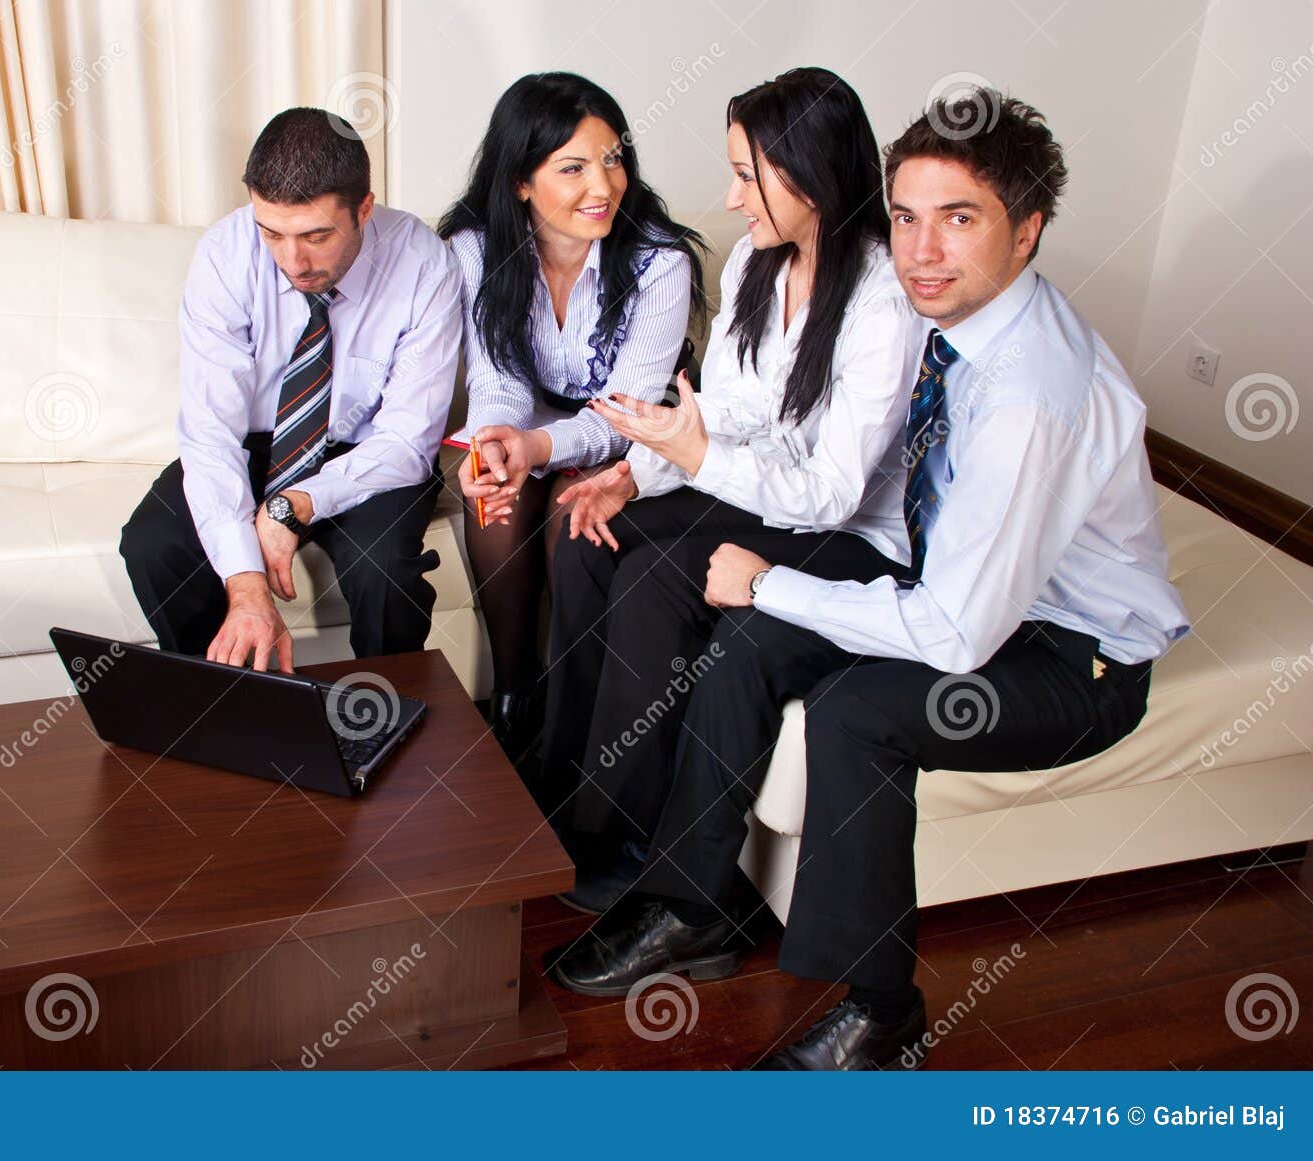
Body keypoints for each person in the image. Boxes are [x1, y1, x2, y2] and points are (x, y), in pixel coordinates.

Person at [542, 90, 1191, 1071]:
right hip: (968, 590)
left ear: (1028, 231)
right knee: (747, 643)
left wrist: (768, 583)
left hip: (1073, 662)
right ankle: (690, 902)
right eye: (906, 217)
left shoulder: (1029, 397)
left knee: (853, 711)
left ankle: (882, 1014)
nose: (923, 250)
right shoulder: (968, 324)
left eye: (959, 219)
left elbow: (953, 636)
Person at [535, 68, 923, 911]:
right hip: (756, 487)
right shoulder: (757, 262)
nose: (733, 196)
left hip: (847, 527)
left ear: (810, 173)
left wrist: (695, 458)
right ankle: (554, 781)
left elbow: (828, 491)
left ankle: (614, 834)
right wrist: (629, 476)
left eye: (748, 175)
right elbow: (727, 421)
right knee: (584, 532)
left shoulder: (884, 302)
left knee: (655, 576)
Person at [120, 108, 462, 671]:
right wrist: (246, 584)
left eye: (316, 235)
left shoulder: (424, 262)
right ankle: (218, 709)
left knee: (386, 574)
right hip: (258, 444)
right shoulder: (225, 254)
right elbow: (210, 431)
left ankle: (383, 719)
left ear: (365, 209)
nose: (292, 261)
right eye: (272, 234)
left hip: (369, 454)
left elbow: (406, 441)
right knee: (154, 545)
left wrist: (293, 505)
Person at [439, 72, 708, 756]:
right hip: (525, 415)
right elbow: (496, 381)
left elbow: (625, 411)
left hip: (629, 430)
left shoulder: (658, 261)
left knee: (570, 508)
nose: (604, 185)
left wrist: (537, 447)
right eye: (574, 167)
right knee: (493, 490)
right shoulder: (474, 250)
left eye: (613, 159)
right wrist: (504, 443)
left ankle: (568, 718)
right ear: (521, 182)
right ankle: (511, 692)